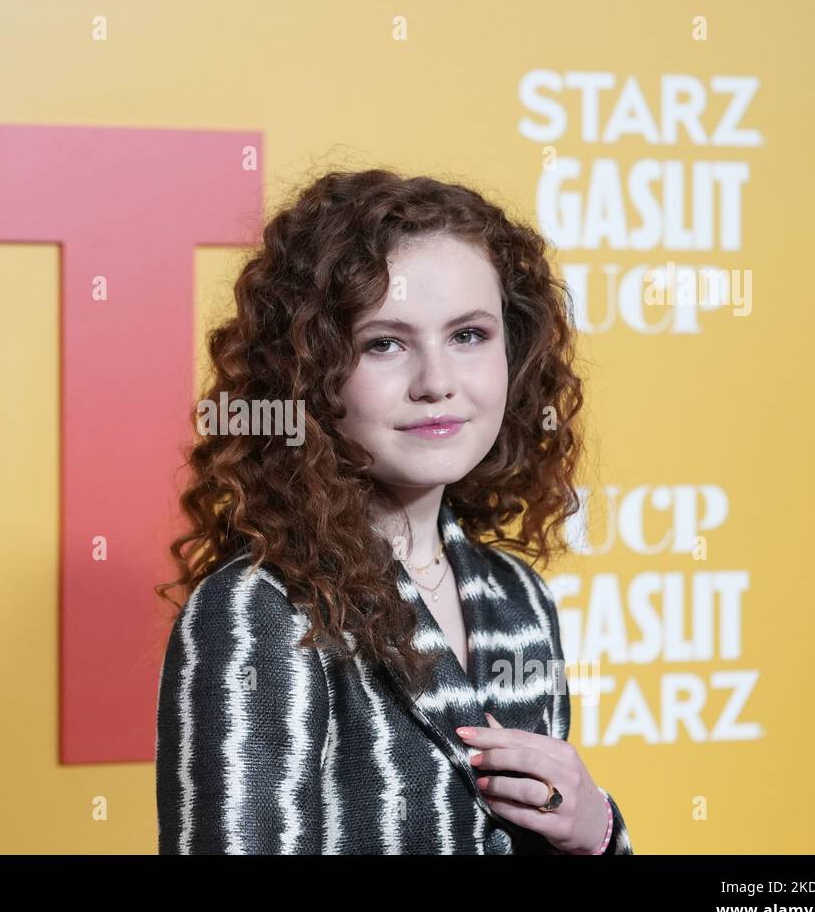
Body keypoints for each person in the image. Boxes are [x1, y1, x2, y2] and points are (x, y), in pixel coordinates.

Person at [154, 168, 632, 855]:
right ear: (309, 375)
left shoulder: (517, 597)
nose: (436, 382)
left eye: (469, 335)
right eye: (385, 343)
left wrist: (598, 832)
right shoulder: (256, 612)